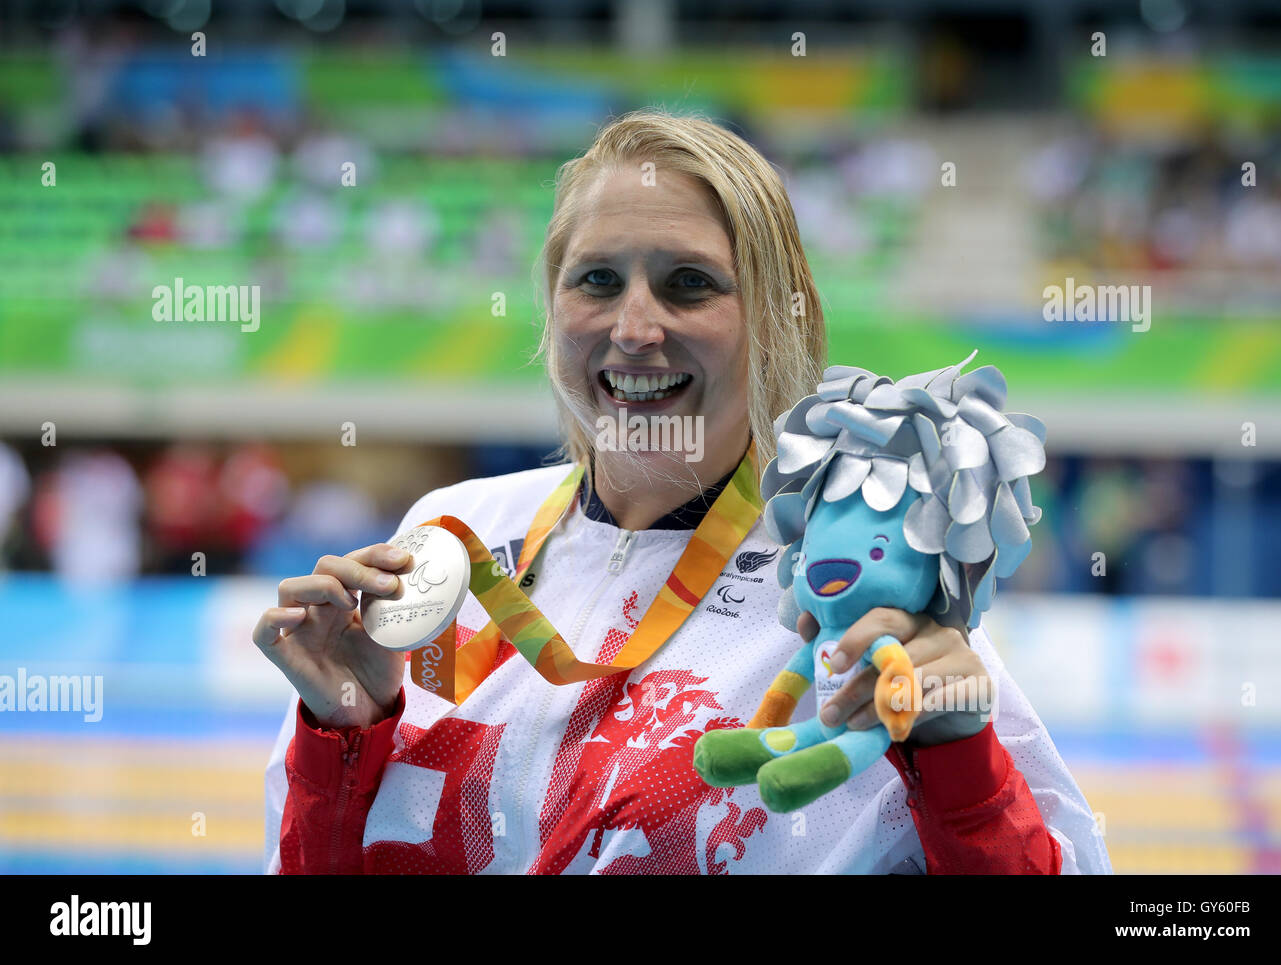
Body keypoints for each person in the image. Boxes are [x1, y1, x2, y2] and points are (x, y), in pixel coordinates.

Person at [256, 109, 1111, 875]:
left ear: (779, 319)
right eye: (596, 280)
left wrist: (957, 768)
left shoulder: (847, 595)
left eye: (688, 284)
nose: (634, 328)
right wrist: (344, 731)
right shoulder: (453, 536)